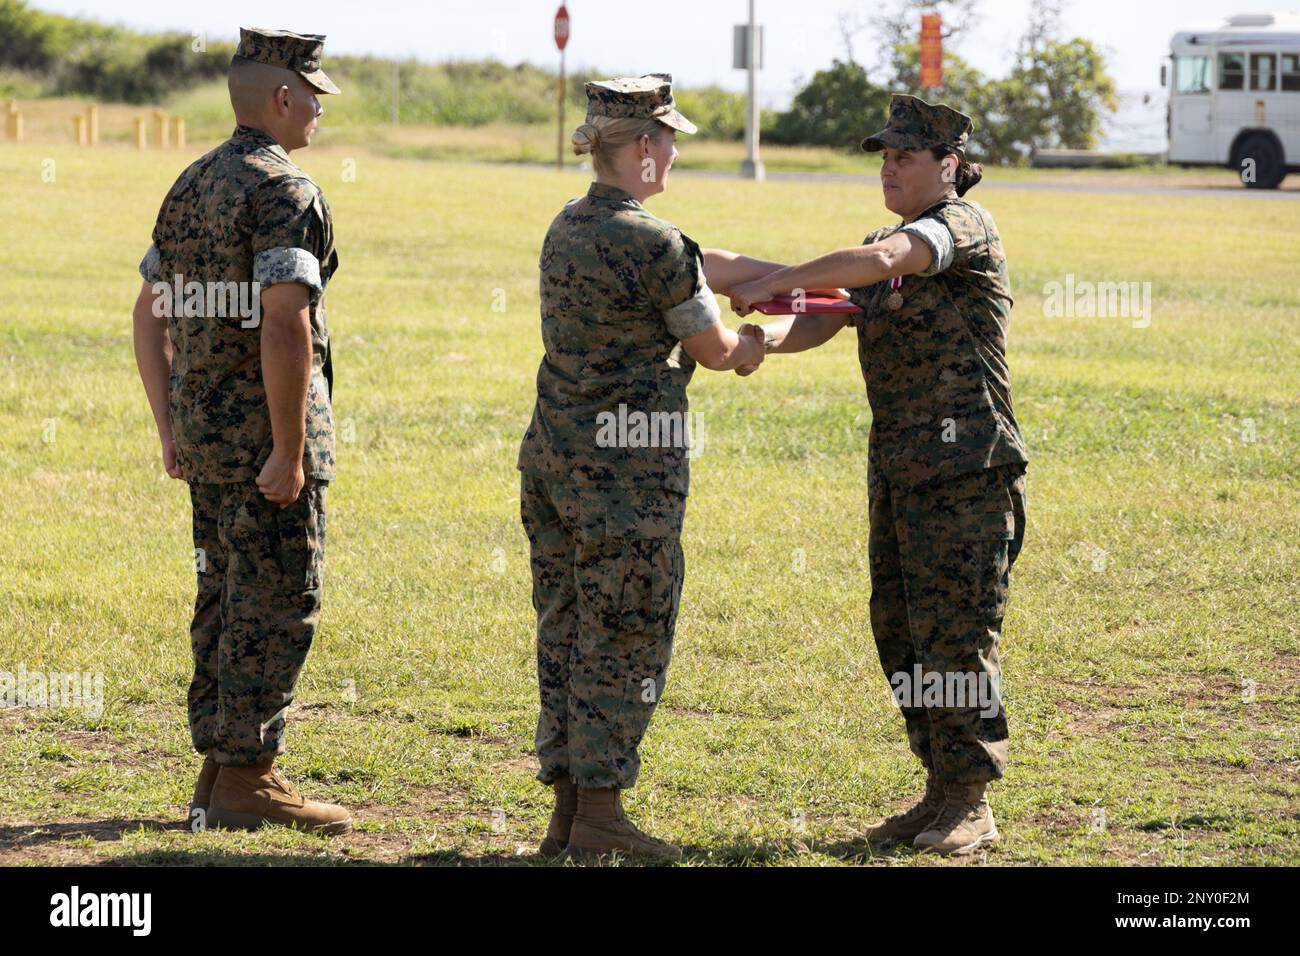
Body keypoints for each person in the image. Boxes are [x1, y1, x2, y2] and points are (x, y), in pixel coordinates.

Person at [729, 94, 1029, 856]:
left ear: (949, 167)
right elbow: (829, 314)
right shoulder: (879, 240)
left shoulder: (960, 227)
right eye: (885, 156)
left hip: (968, 470)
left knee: (957, 636)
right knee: (901, 632)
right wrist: (764, 338)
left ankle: (971, 801)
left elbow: (884, 264)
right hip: (899, 468)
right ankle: (937, 792)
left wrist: (776, 278)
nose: (890, 167)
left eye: (906, 156)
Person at [518, 74, 777, 861]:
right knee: (625, 631)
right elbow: (717, 345)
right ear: (642, 146)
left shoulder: (569, 225)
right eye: (667, 139)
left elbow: (704, 264)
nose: (671, 153)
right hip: (626, 477)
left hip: (555, 461)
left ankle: (568, 812)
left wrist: (789, 275)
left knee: (566, 625)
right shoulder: (651, 241)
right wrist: (757, 345)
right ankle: (600, 816)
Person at [131, 27, 348, 834]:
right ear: (283, 97)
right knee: (277, 601)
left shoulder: (191, 183)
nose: (320, 109)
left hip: (206, 438)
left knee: (223, 597)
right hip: (264, 445)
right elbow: (285, 321)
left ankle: (218, 770)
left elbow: (148, 312)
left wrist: (169, 425)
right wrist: (290, 450)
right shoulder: (284, 189)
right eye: (314, 94)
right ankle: (247, 779)